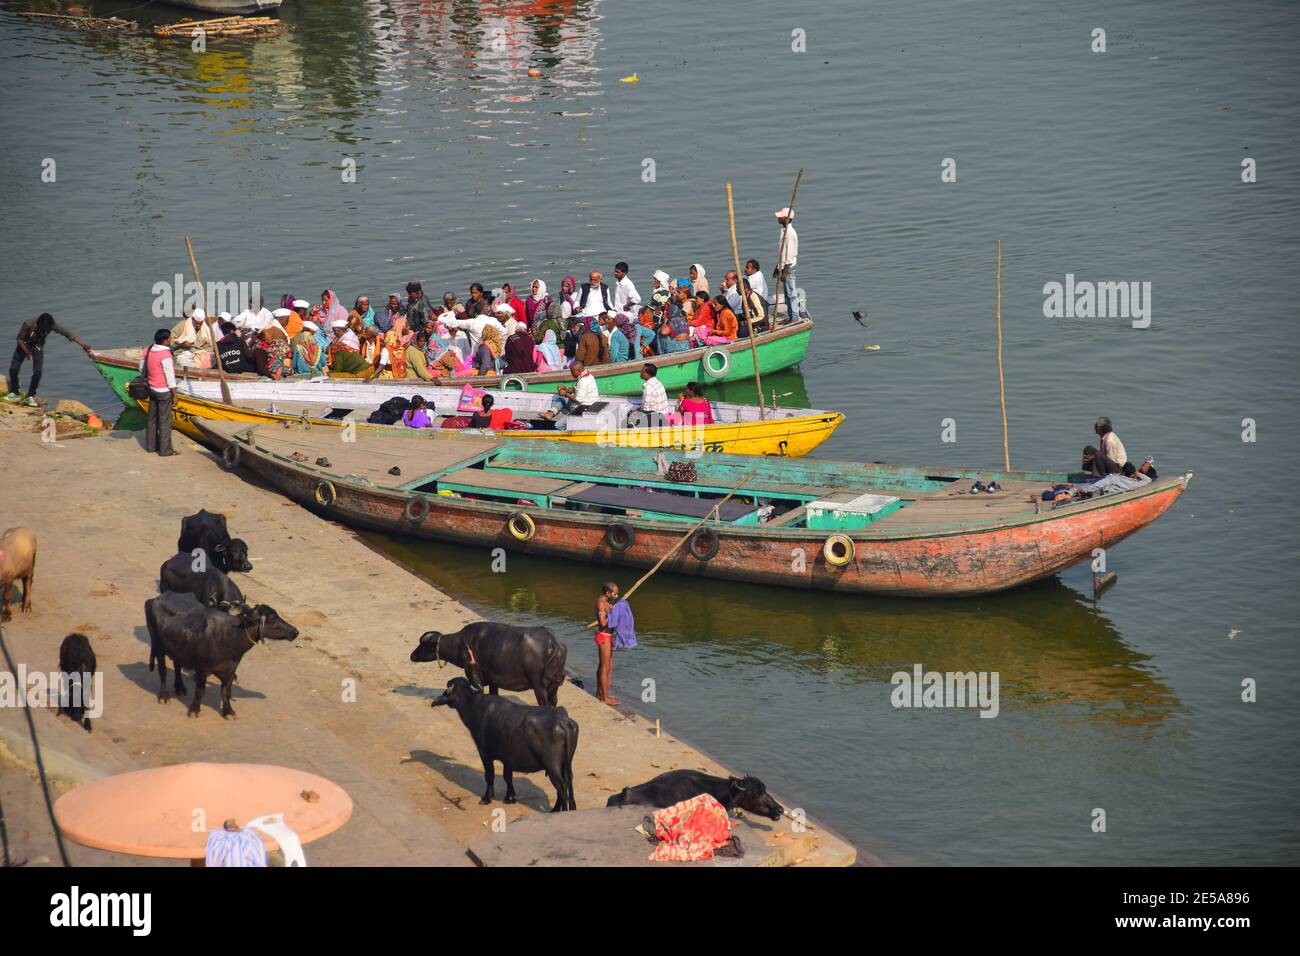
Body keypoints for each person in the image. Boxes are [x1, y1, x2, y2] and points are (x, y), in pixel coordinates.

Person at [6, 313, 92, 406]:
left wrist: (83, 345)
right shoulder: (28, 324)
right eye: (43, 329)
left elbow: (68, 334)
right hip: (23, 345)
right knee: (13, 369)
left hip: (38, 347)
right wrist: (27, 353)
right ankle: (15, 392)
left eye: (46, 330)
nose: (44, 331)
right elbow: (19, 339)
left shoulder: (52, 325)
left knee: (37, 372)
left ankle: (30, 396)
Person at [139, 328, 179, 456]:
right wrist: (175, 395)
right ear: (165, 340)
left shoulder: (149, 350)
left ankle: (151, 447)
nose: (171, 340)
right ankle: (165, 450)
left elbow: (141, 367)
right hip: (163, 392)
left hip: (152, 389)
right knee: (165, 422)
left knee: (152, 419)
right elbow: (170, 378)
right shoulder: (166, 355)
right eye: (170, 338)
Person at [594, 581, 621, 705]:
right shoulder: (601, 602)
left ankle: (600, 693)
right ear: (607, 593)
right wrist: (613, 613)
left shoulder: (607, 602)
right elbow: (603, 623)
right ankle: (605, 698)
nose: (616, 596)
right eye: (615, 594)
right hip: (604, 637)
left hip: (607, 636)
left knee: (602, 666)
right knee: (605, 668)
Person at [774, 207, 800, 320]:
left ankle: (794, 317)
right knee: (786, 294)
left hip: (788, 268)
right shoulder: (784, 231)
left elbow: (789, 254)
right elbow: (782, 252)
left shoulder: (789, 233)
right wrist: (778, 267)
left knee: (791, 294)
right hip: (784, 266)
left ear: (786, 218)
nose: (778, 218)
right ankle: (790, 317)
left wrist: (785, 270)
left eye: (780, 217)